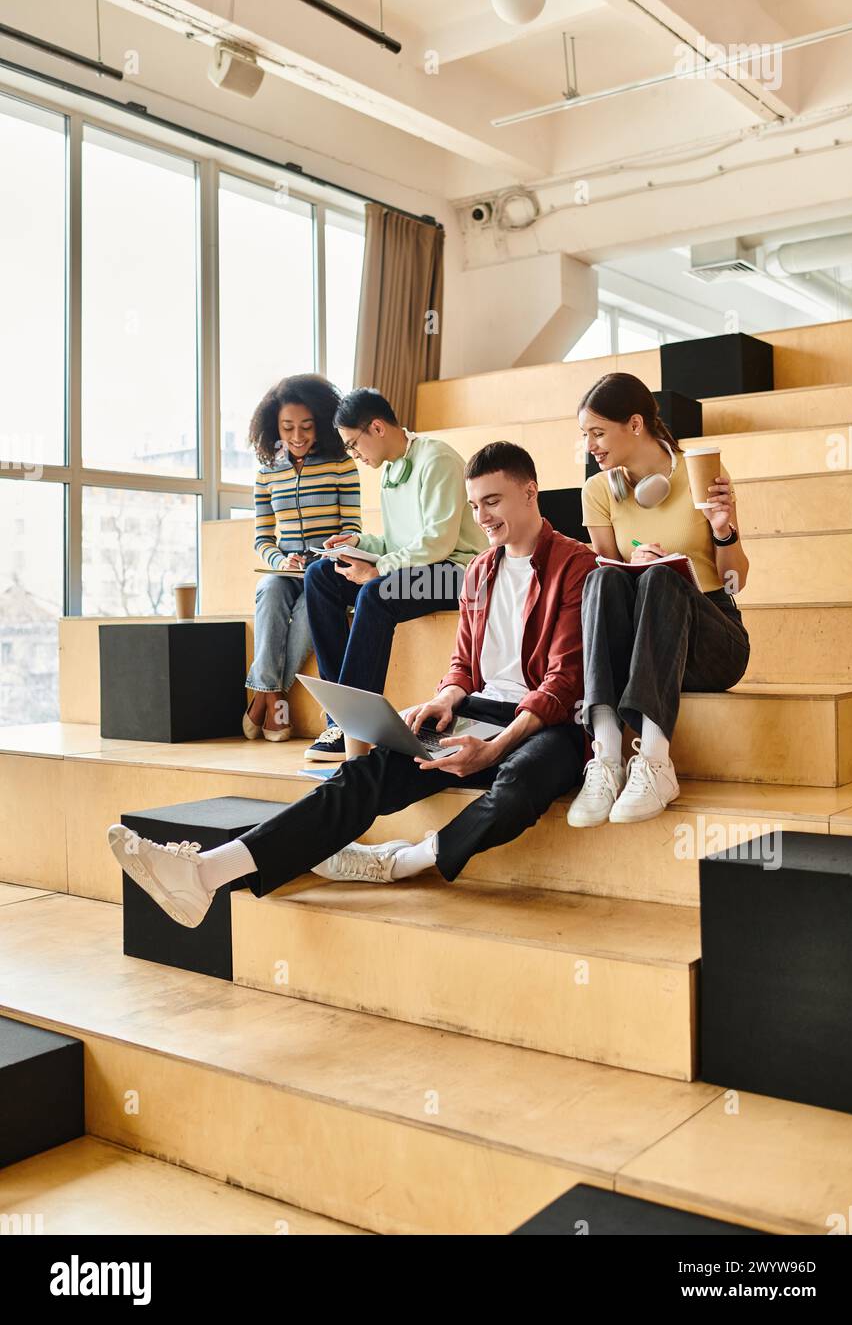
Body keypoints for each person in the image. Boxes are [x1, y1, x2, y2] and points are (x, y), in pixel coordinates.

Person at [106, 442, 596, 925]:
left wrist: (493, 750)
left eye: (493, 501)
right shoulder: (478, 571)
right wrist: (444, 700)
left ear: (530, 492)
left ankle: (409, 860)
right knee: (364, 774)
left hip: (549, 726)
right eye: (474, 505)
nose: (483, 516)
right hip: (480, 713)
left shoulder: (576, 564)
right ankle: (206, 873)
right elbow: (464, 666)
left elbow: (562, 683)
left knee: (521, 784)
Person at [567, 372, 750, 828]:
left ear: (633, 424)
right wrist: (640, 564)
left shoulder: (701, 474)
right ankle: (607, 757)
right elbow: (610, 588)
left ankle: (654, 761)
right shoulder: (597, 491)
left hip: (714, 639)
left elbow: (735, 581)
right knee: (601, 582)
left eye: (597, 432)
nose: (589, 444)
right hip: (645, 647)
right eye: (584, 434)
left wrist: (723, 528)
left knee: (662, 580)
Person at [302, 387, 486, 762]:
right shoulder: (390, 471)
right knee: (320, 575)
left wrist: (377, 569)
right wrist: (359, 543)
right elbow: (395, 540)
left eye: (354, 444)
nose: (355, 455)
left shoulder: (437, 459)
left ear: (377, 427)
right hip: (420, 570)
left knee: (376, 593)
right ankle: (342, 713)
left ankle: (356, 726)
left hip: (458, 574)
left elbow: (436, 542)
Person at [243, 375, 360, 743]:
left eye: (307, 427)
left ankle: (263, 699)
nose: (297, 436)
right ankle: (272, 695)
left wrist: (335, 548)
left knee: (312, 609)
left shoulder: (341, 464)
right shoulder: (266, 474)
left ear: (321, 423)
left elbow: (354, 526)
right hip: (286, 570)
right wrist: (281, 562)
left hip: (328, 572)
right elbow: (262, 539)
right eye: (288, 427)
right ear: (273, 427)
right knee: (269, 591)